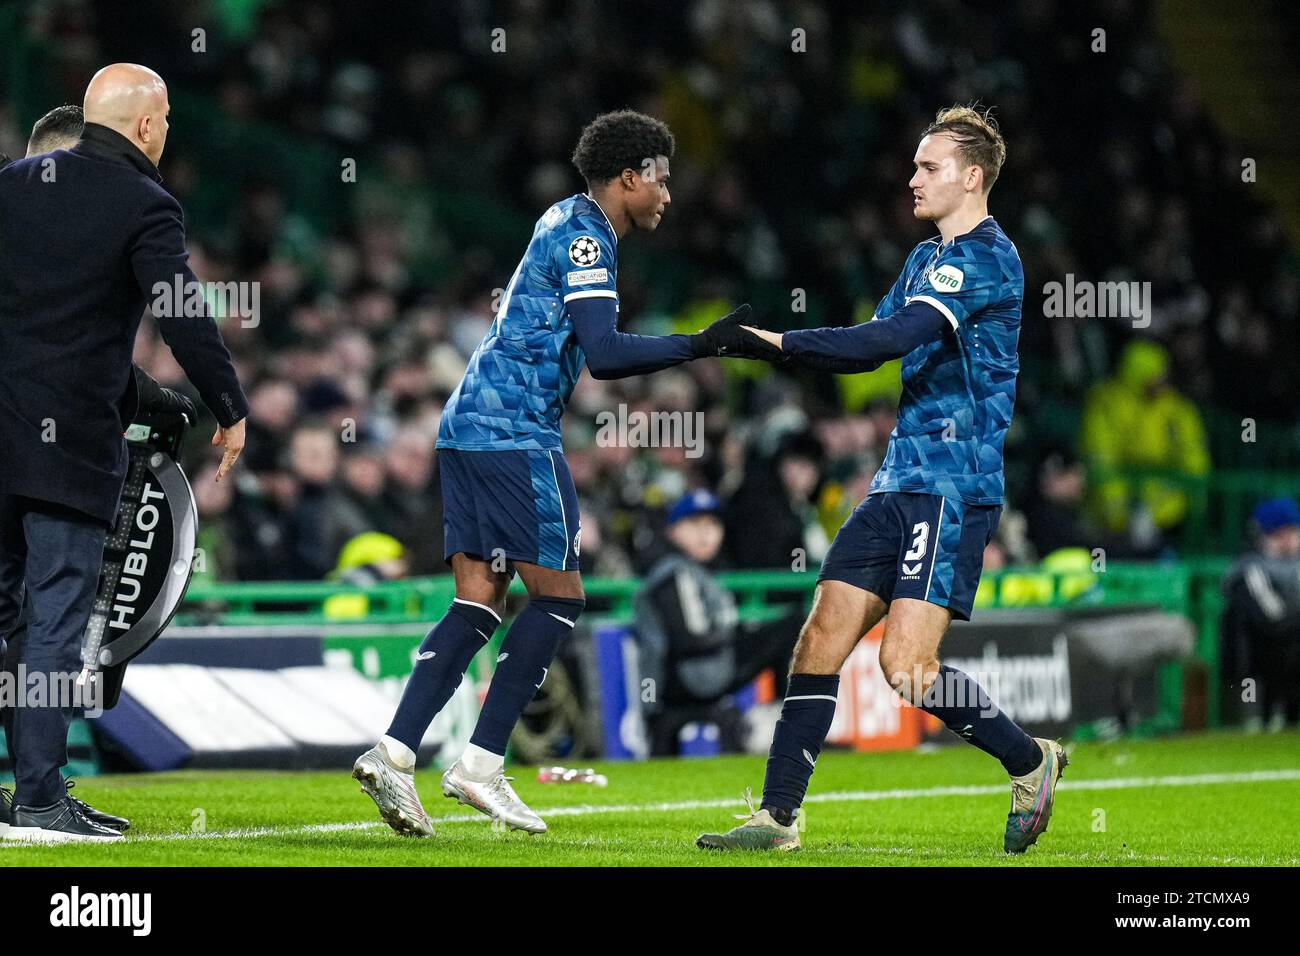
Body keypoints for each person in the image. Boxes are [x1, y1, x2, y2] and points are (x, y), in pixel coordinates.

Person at [351, 109, 776, 837]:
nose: (668, 196)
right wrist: (704, 345)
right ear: (628, 178)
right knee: (558, 599)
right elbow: (606, 354)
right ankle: (480, 765)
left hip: (467, 427)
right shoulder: (588, 237)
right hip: (514, 431)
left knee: (480, 603)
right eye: (660, 181)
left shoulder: (565, 220)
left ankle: (393, 753)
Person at [697, 106, 1066, 855]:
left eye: (928, 167)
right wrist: (767, 346)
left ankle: (1030, 762)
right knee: (821, 636)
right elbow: (865, 353)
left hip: (951, 487)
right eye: (913, 165)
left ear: (971, 177)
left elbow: (891, 338)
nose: (912, 178)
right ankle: (778, 817)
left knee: (907, 668)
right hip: (898, 479)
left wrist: (772, 340)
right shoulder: (924, 260)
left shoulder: (989, 257)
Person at [0, 65, 249, 843]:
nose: (167, 130)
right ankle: (38, 798)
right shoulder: (144, 202)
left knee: (7, 615)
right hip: (67, 445)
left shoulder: (9, 185)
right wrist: (230, 407)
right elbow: (182, 313)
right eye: (166, 117)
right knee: (54, 618)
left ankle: (28, 793)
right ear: (146, 126)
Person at [636, 490, 799, 755]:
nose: (705, 534)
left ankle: (783, 718)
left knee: (788, 626)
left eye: (712, 524)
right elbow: (687, 638)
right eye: (694, 524)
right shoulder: (674, 571)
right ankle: (788, 723)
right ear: (672, 530)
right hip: (689, 677)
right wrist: (734, 633)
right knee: (791, 626)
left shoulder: (693, 569)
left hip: (692, 672)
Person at [1222, 498, 1300, 730]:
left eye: (1292, 532)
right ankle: (1259, 715)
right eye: (1278, 534)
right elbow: (1273, 619)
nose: (1287, 541)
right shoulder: (1249, 570)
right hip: (1260, 665)